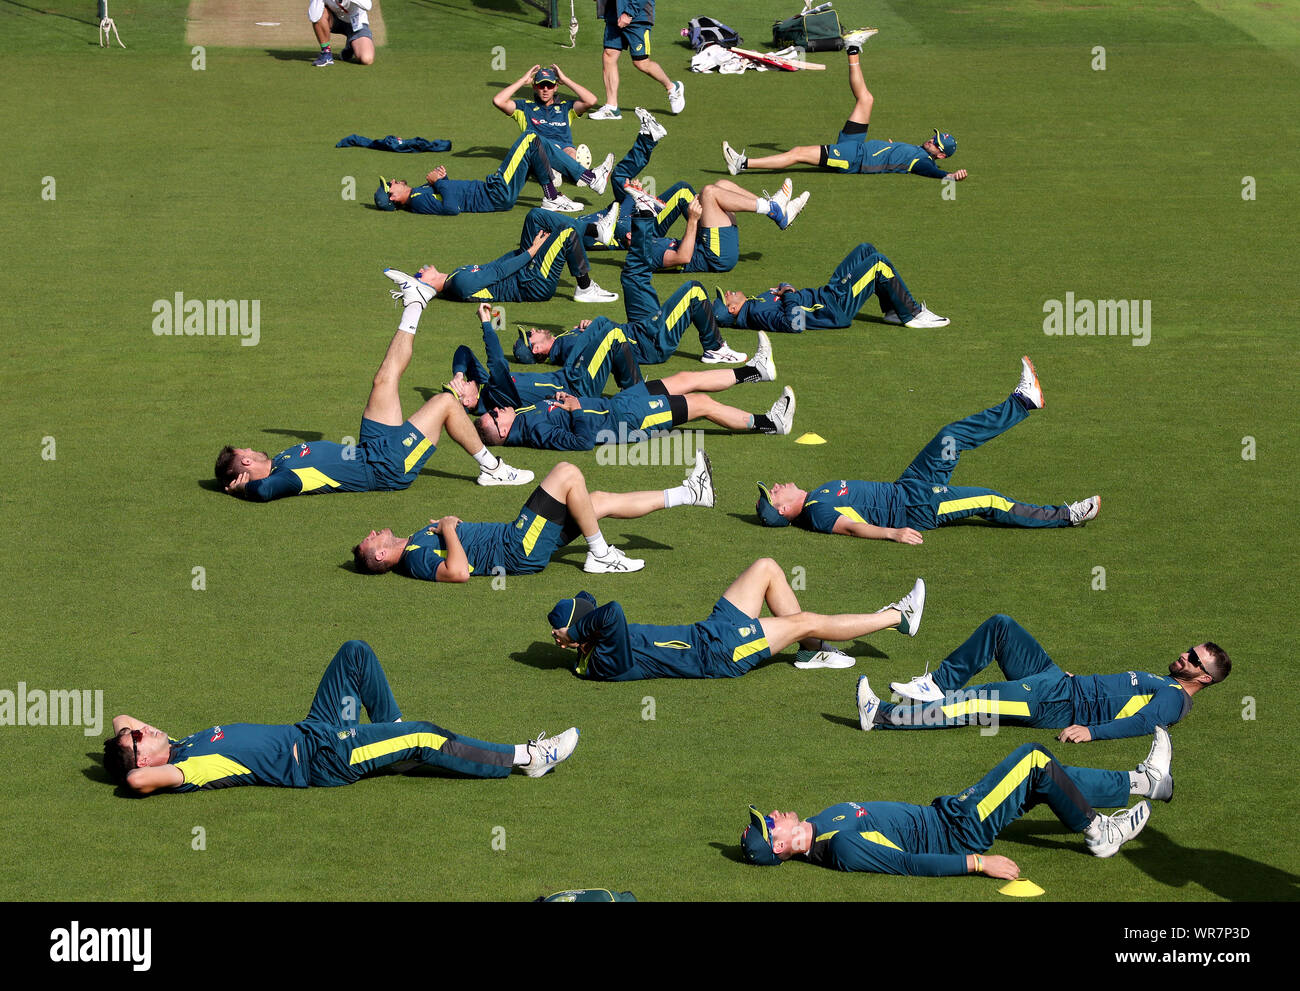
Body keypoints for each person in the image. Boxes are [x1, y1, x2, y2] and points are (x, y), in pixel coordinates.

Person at [101, 640, 579, 795]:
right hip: (326, 758)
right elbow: (139, 782)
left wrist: (127, 736)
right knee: (426, 735)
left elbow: (121, 714)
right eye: (139, 737)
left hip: (316, 728)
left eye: (137, 730)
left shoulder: (179, 743)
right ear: (143, 761)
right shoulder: (188, 768)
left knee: (354, 654)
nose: (143, 727)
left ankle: (391, 748)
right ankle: (527, 758)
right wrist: (133, 764)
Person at [213, 272, 532, 500]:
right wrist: (245, 489)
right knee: (446, 404)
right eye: (247, 451)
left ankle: (415, 302)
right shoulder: (283, 477)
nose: (251, 449)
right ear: (245, 463)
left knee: (384, 379)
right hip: (388, 464)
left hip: (372, 446)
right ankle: (493, 468)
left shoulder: (282, 460)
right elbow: (266, 491)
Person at [755, 357, 1100, 540]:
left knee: (951, 436)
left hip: (910, 483)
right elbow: (851, 527)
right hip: (920, 505)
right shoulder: (816, 512)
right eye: (774, 495)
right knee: (990, 501)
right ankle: (1066, 516)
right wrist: (893, 533)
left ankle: (1024, 401)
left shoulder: (817, 495)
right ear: (784, 511)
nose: (776, 487)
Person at [739, 728, 1173, 873]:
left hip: (949, 813)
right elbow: (910, 865)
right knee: (1034, 759)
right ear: (781, 845)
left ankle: (1142, 781)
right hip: (959, 832)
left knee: (1045, 777)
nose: (774, 814)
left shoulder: (819, 824)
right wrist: (980, 864)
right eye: (769, 823)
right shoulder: (842, 847)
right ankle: (1101, 833)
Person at [854, 615, 1231, 741]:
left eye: (1194, 658)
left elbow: (1143, 723)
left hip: (1054, 702)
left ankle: (884, 716)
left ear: (1205, 677)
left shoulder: (1175, 699)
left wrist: (1090, 731)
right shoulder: (1165, 681)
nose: (1185, 655)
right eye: (1189, 650)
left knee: (976, 701)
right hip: (1058, 680)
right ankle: (937, 685)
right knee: (1002, 627)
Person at [547, 559, 926, 679]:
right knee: (807, 620)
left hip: (708, 630)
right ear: (582, 635)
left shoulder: (594, 640)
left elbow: (598, 611)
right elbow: (611, 613)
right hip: (719, 654)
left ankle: (812, 653)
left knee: (766, 568)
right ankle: (898, 617)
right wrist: (574, 631)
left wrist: (575, 628)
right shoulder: (601, 662)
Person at [353, 454, 714, 578]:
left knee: (595, 501)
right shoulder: (413, 560)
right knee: (567, 472)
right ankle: (601, 555)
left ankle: (691, 493)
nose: (374, 531)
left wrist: (449, 528)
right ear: (381, 555)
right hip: (516, 548)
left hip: (518, 543)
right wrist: (448, 529)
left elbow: (456, 549)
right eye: (371, 539)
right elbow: (458, 572)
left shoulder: (415, 545)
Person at [513, 202, 748, 368]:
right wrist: (597, 326)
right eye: (530, 337)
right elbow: (599, 356)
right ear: (536, 350)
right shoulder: (566, 349)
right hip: (650, 341)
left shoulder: (563, 341)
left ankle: (644, 214)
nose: (533, 331)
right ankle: (715, 348)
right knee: (694, 291)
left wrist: (591, 326)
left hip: (638, 330)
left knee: (631, 275)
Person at [722, 37, 967, 184]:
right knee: (866, 99)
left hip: (853, 158)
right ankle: (852, 50)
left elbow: (934, 174)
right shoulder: (916, 151)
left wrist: (950, 177)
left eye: (936, 144)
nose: (930, 140)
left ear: (941, 155)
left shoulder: (922, 162)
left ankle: (742, 164)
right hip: (857, 144)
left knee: (797, 153)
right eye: (933, 137)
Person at [475, 344, 797, 452]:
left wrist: (567, 399)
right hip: (626, 420)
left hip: (619, 404)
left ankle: (755, 371)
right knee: (701, 404)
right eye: (495, 415)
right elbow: (583, 442)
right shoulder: (534, 432)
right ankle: (770, 423)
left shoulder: (523, 417)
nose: (499, 409)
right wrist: (576, 408)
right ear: (502, 431)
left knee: (684, 379)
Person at [448, 303, 642, 417]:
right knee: (612, 335)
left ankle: (633, 389)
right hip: (577, 389)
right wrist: (486, 323)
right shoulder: (495, 397)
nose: (462, 381)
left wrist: (457, 373)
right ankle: (639, 396)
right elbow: (497, 362)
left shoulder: (482, 385)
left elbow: (463, 351)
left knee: (600, 323)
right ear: (468, 402)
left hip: (569, 374)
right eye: (460, 387)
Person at [713, 241, 950, 333]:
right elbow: (793, 324)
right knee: (878, 264)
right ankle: (913, 314)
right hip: (835, 308)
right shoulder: (755, 313)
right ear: (733, 310)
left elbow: (787, 298)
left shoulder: (754, 305)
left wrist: (785, 289)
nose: (727, 293)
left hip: (829, 294)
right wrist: (788, 295)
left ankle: (892, 311)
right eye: (726, 299)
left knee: (866, 250)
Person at [372, 132, 610, 216]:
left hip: (494, 191)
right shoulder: (417, 201)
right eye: (389, 186)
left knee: (536, 144)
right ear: (393, 198)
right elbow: (451, 208)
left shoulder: (418, 194)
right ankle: (573, 186)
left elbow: (451, 197)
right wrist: (441, 183)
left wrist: (442, 181)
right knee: (528, 138)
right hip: (495, 193)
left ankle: (585, 179)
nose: (392, 181)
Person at [408, 210, 617, 304]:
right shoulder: (459, 284)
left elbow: (496, 265)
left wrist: (525, 251)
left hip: (524, 272)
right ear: (426, 284)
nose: (421, 269)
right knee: (565, 232)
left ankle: (597, 231)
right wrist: (533, 251)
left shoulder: (455, 276)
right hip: (533, 284)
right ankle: (585, 287)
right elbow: (500, 272)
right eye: (419, 275)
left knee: (535, 216)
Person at [624, 179, 810, 276]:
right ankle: (773, 209)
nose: (629, 233)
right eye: (634, 232)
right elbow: (683, 257)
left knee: (722, 185)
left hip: (709, 246)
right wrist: (693, 221)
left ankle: (776, 210)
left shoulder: (647, 243)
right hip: (715, 256)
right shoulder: (646, 254)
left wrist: (640, 193)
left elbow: (649, 213)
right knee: (710, 193)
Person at [492, 63, 605, 209]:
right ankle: (578, 175)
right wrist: (522, 80)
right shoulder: (525, 107)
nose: (545, 90)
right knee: (554, 151)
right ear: (534, 87)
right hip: (539, 151)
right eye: (541, 86)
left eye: (550, 86)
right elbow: (498, 101)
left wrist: (565, 79)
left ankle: (561, 173)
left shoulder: (566, 107)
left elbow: (591, 100)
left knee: (571, 152)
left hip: (564, 150)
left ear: (556, 87)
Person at [589, 1, 686, 121]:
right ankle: (612, 107)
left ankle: (672, 87)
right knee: (609, 55)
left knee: (641, 62)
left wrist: (629, 13)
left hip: (638, 17)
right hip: (614, 15)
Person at [308, 0, 374, 67]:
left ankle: (351, 45)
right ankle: (326, 52)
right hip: (334, 21)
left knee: (366, 59)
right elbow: (313, 17)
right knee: (320, 13)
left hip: (357, 24)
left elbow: (368, 5)